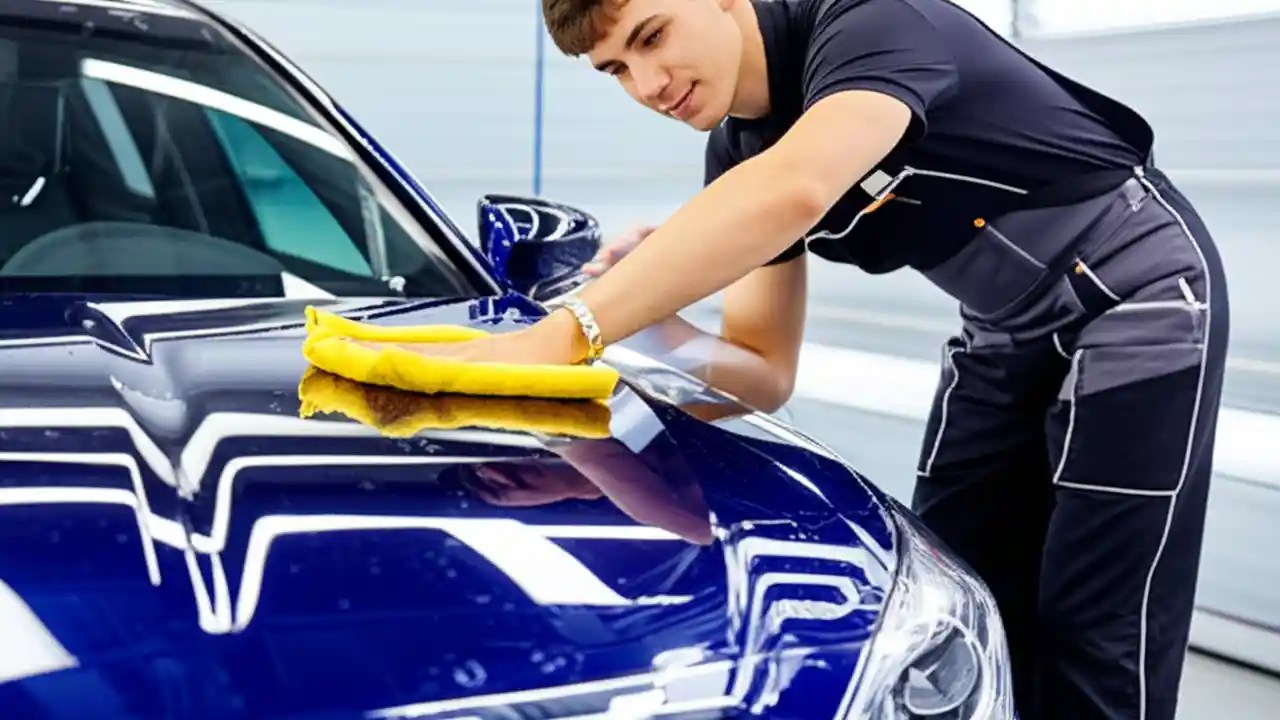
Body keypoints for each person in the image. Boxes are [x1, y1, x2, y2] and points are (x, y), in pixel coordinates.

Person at [371, 1, 1230, 718]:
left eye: (651, 36)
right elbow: (758, 370)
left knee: (1094, 624)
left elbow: (798, 189)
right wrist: (654, 325)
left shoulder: (867, 24)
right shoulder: (741, 152)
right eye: (614, 71)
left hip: (1138, 295)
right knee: (960, 592)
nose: (648, 86)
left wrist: (561, 334)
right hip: (1007, 326)